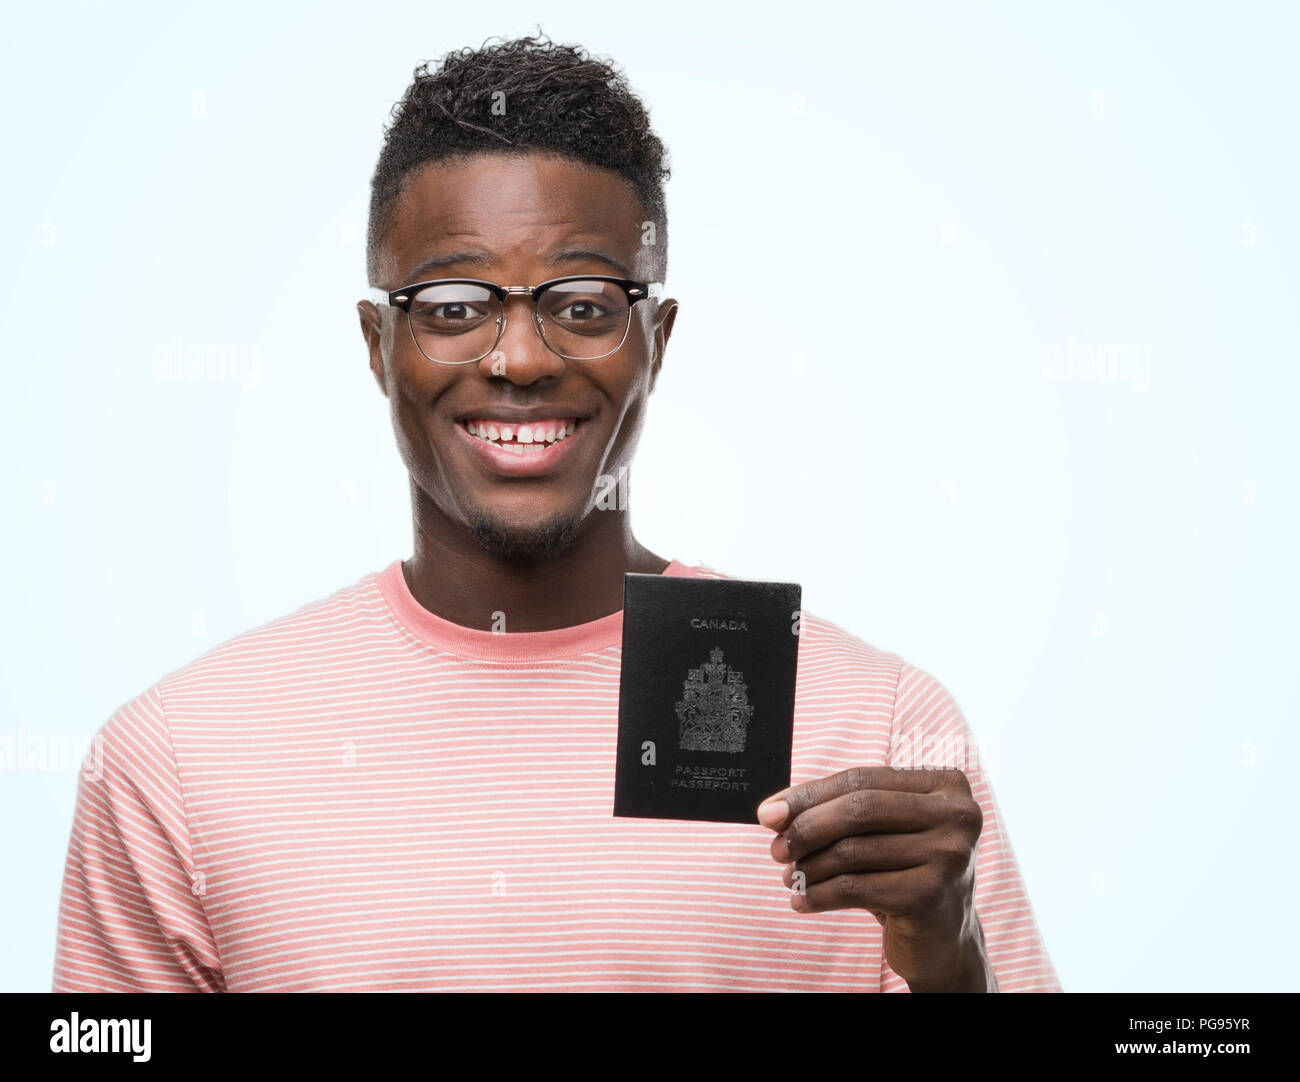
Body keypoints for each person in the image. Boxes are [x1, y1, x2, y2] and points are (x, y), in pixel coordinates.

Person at [53, 33, 1060, 992]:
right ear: (374, 344)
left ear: (654, 339)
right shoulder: (176, 757)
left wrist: (954, 965)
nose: (522, 359)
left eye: (582, 303)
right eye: (453, 303)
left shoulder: (874, 728)